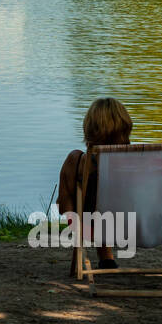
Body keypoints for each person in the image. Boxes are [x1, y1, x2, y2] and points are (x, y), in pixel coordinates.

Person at [57, 97, 133, 271]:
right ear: (125, 125)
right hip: (141, 226)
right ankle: (106, 258)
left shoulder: (76, 161)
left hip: (92, 226)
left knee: (97, 206)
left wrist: (75, 225)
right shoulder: (139, 160)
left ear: (90, 127)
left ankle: (105, 257)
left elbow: (64, 207)